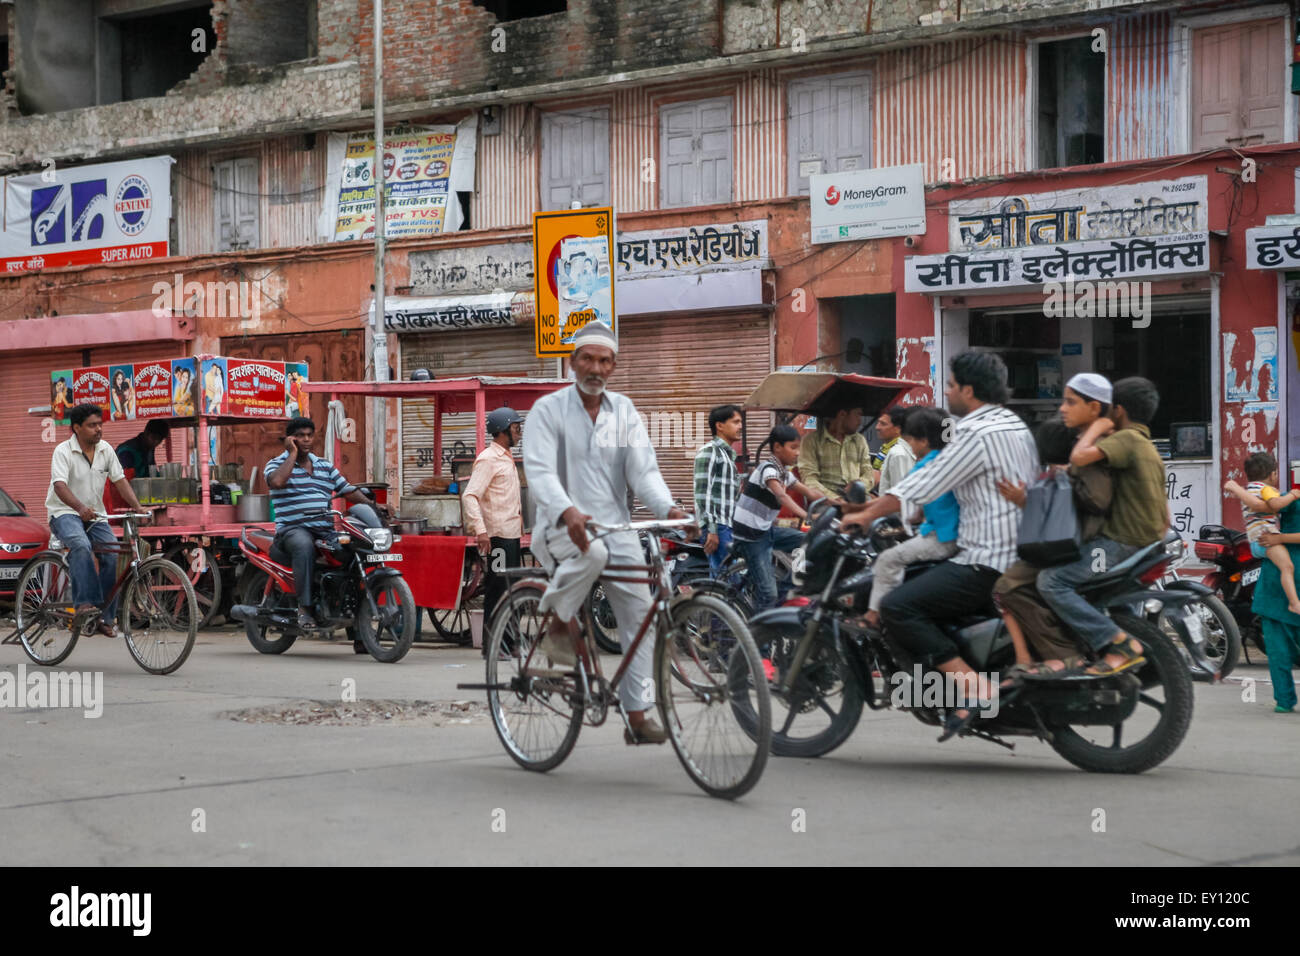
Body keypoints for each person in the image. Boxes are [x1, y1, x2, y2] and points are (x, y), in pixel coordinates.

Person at [841, 351, 1038, 741]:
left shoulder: (973, 431)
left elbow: (925, 483)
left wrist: (865, 515)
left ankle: (975, 691)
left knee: (899, 606)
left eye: (950, 384)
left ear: (967, 389)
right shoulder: (1014, 423)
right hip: (1020, 550)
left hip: (985, 558)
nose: (947, 391)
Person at [523, 322, 690, 745]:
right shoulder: (549, 409)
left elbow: (643, 472)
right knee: (591, 555)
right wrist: (566, 509)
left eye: (604, 360)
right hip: (560, 525)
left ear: (613, 365)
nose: (595, 368)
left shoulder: (623, 412)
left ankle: (637, 714)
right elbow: (540, 471)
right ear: (572, 361)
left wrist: (668, 507)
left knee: (641, 611)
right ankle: (558, 623)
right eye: (588, 359)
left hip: (616, 528)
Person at [1034, 376, 1168, 678]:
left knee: (1051, 582)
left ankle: (1117, 644)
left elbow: (1080, 456)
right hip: (1147, 541)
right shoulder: (1147, 445)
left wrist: (1095, 428)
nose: (1064, 408)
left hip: (1122, 540)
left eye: (1070, 402)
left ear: (1116, 411)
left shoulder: (1126, 439)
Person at [994, 410, 1114, 674]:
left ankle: (1061, 653)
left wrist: (1025, 499)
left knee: (1008, 586)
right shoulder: (1088, 466)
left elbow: (1060, 520)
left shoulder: (1068, 474)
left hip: (1077, 549)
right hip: (1095, 549)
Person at [45, 403, 149, 638]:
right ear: (77, 428)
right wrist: (79, 507)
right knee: (81, 546)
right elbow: (59, 486)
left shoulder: (106, 450)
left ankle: (104, 617)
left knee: (113, 554)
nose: (98, 429)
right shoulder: (63, 451)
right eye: (92, 425)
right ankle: (84, 604)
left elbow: (120, 480)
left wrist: (138, 508)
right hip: (64, 513)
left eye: (100, 424)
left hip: (96, 515)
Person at [264, 417, 374, 633]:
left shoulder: (324, 465)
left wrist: (374, 506)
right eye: (300, 436)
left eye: (309, 435)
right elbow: (276, 482)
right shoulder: (276, 464)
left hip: (324, 530)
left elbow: (348, 489)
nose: (306, 439)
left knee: (352, 550)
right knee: (304, 544)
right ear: (291, 439)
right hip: (292, 530)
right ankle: (304, 607)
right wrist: (292, 454)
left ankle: (357, 626)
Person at [863, 407, 959, 630]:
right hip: (938, 529)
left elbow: (899, 496)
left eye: (912, 440)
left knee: (888, 560)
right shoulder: (949, 458)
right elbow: (924, 506)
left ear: (924, 441)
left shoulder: (927, 463)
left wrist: (858, 513)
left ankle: (872, 617)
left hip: (943, 536)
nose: (910, 446)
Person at [732, 424, 818, 611]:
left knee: (809, 542)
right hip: (751, 536)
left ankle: (785, 591)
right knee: (767, 594)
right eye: (793, 448)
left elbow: (810, 493)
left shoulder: (784, 473)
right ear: (778, 447)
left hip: (765, 530)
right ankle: (760, 636)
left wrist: (840, 505)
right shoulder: (768, 469)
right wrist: (807, 516)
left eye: (799, 448)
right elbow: (781, 496)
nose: (797, 453)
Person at [463, 407, 524, 646]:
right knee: (498, 588)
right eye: (516, 429)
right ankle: (494, 644)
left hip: (511, 536)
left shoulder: (505, 457)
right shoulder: (488, 459)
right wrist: (481, 530)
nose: (519, 433)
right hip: (497, 539)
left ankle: (507, 641)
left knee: (510, 588)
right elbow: (470, 495)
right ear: (502, 431)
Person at [1224, 452, 1300, 616]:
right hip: (1266, 539)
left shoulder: (1249, 489)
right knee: (1287, 566)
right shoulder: (1266, 490)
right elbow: (1275, 505)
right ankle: (1294, 603)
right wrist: (1293, 495)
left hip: (1256, 541)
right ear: (1273, 474)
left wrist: (1235, 488)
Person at [1253, 512, 1300, 714]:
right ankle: (1283, 699)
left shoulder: (1279, 500)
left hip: (1274, 587)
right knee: (1277, 649)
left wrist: (1279, 538)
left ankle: (1284, 699)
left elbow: (1256, 544)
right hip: (1276, 588)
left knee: (1278, 651)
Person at [693, 404, 743, 576]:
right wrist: (712, 530)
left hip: (726, 525)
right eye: (735, 422)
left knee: (729, 579)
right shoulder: (710, 451)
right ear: (719, 426)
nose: (740, 426)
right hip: (717, 526)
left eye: (740, 422)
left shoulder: (727, 456)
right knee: (727, 580)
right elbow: (702, 493)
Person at [798, 402, 873, 502]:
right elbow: (809, 480)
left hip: (857, 498)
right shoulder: (811, 441)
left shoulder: (859, 440)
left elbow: (868, 474)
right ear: (842, 414)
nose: (860, 421)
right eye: (858, 414)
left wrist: (858, 485)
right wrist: (836, 499)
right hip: (826, 501)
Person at [875, 404, 916, 495]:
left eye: (883, 424)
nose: (877, 427)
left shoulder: (898, 453)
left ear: (898, 429)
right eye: (878, 422)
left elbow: (899, 495)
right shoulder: (887, 447)